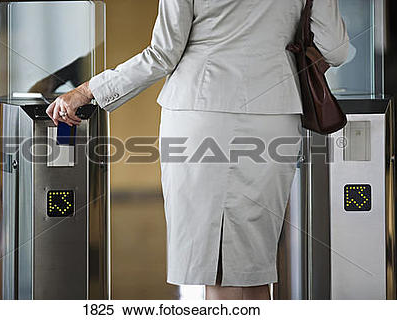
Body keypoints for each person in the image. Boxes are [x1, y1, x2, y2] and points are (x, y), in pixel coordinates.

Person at [45, 0, 349, 300]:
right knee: (252, 262)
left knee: (215, 264)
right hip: (274, 111)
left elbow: (162, 54)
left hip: (202, 110)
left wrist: (87, 91)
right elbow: (336, 49)